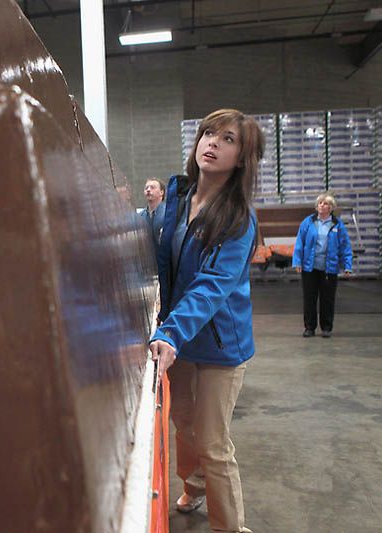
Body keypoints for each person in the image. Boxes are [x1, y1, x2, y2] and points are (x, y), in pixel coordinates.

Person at [149, 109, 264, 533]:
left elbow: (213, 285)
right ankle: (194, 484)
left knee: (213, 443)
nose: (213, 143)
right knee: (183, 423)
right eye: (208, 133)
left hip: (218, 345)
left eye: (228, 139)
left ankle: (229, 526)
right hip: (179, 336)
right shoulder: (178, 198)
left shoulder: (238, 218)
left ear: (243, 158)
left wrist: (171, 332)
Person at [292, 193, 352, 338]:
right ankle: (310, 328)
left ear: (331, 208)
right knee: (309, 299)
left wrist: (347, 265)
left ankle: (326, 328)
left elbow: (345, 247)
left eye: (325, 203)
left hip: (329, 268)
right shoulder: (308, 222)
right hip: (309, 267)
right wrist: (297, 262)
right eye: (319, 203)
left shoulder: (338, 225)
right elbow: (300, 243)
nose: (321, 205)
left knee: (327, 299)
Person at [139, 177, 166, 249]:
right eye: (146, 188)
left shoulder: (168, 213)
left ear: (161, 192)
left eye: (152, 187)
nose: (148, 190)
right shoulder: (140, 216)